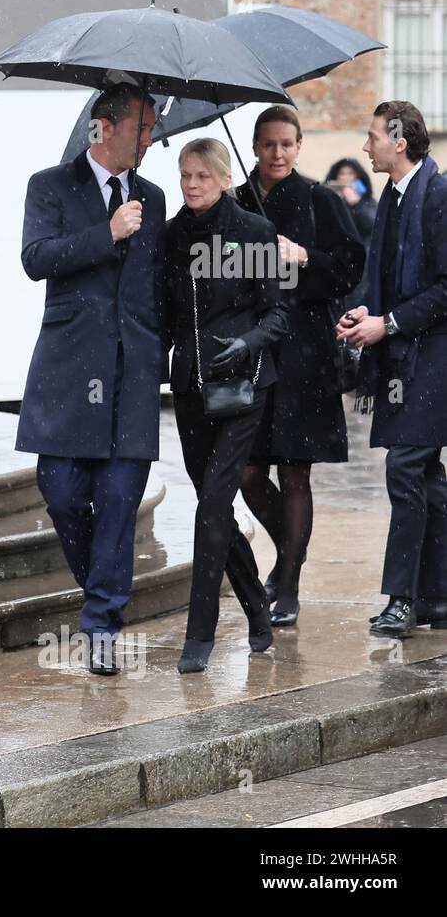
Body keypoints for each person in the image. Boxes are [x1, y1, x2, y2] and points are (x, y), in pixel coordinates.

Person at [17, 83, 167, 676]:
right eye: (142, 128)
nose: (150, 139)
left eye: (152, 128)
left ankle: (102, 622)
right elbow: (35, 259)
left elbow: (163, 285)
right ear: (105, 128)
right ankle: (101, 589)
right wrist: (108, 233)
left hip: (133, 376)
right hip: (69, 370)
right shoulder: (49, 186)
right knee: (61, 493)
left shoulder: (153, 199)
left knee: (119, 500)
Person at [235, 107, 366, 627]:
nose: (278, 154)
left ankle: (287, 581)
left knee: (294, 470)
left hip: (305, 353)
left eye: (287, 144)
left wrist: (305, 257)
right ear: (255, 146)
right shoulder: (236, 200)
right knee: (246, 470)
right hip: (251, 352)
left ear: (299, 145)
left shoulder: (320, 200)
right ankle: (292, 551)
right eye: (268, 144)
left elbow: (349, 268)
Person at [163, 138, 288, 673]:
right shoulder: (171, 235)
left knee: (212, 504)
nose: (192, 185)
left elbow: (278, 315)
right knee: (215, 508)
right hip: (191, 388)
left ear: (223, 178)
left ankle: (201, 634)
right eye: (185, 175)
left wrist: (246, 344)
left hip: (243, 388)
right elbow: (165, 313)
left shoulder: (254, 231)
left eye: (202, 177)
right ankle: (258, 611)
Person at [337, 101, 447, 637]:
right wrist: (366, 313)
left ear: (399, 141)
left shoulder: (440, 194)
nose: (365, 145)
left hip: (435, 360)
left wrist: (391, 323)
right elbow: (387, 276)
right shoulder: (393, 193)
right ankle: (439, 597)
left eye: (372, 134)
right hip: (406, 357)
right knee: (426, 479)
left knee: (405, 470)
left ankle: (402, 600)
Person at [325, 158, 378, 247]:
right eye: (342, 173)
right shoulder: (329, 197)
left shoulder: (367, 200)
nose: (346, 177)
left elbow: (373, 225)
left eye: (351, 173)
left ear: (357, 177)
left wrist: (357, 204)